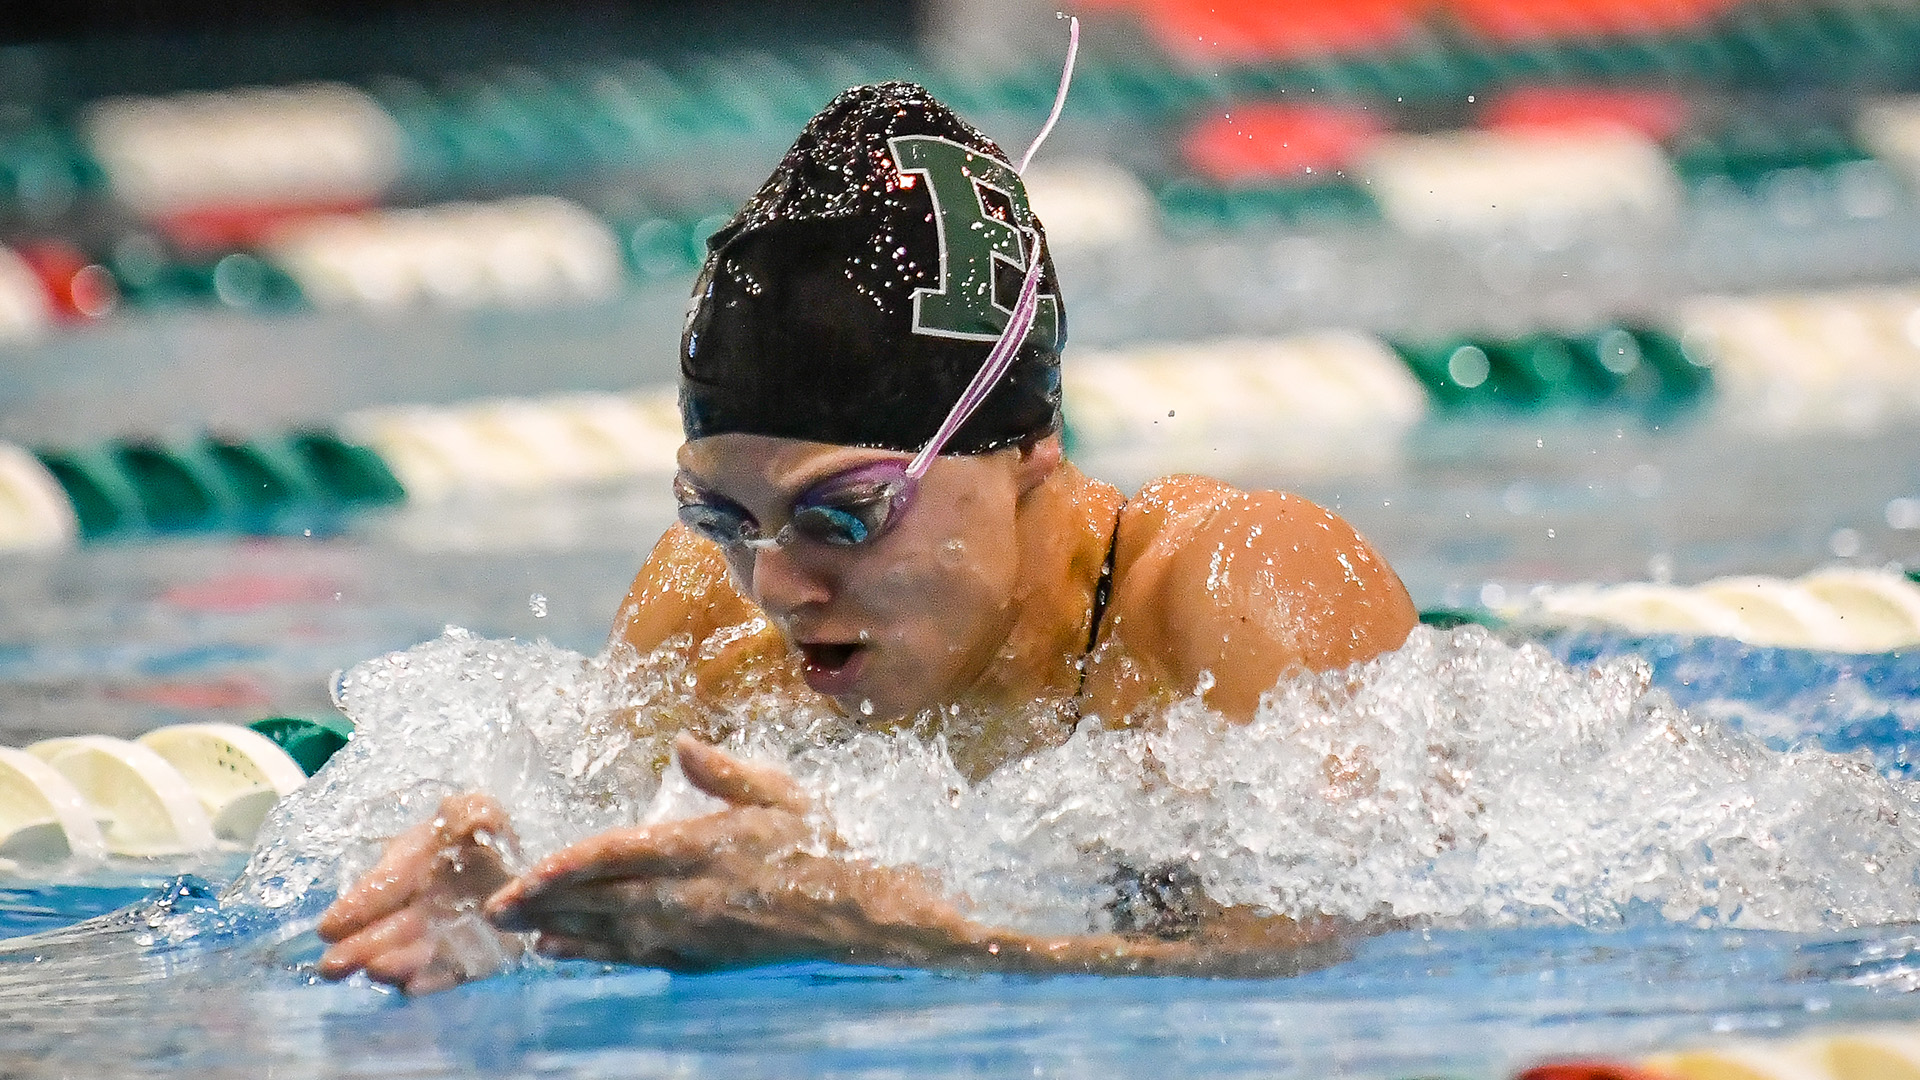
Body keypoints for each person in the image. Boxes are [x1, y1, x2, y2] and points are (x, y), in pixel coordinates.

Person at [315, 80, 1417, 995]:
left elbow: (1336, 981)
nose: (777, 586)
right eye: (724, 517)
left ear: (1028, 445)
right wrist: (509, 901)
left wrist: (898, 931)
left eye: (845, 514)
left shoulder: (1237, 598)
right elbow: (621, 869)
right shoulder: (709, 620)